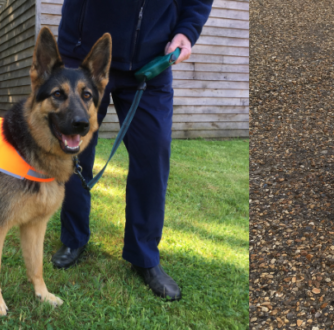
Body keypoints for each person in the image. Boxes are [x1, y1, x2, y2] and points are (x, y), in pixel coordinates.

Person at [49, 0, 211, 301]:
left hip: (152, 58)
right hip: (85, 53)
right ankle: (73, 238)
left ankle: (144, 255)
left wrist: (187, 30)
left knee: (153, 155)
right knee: (73, 149)